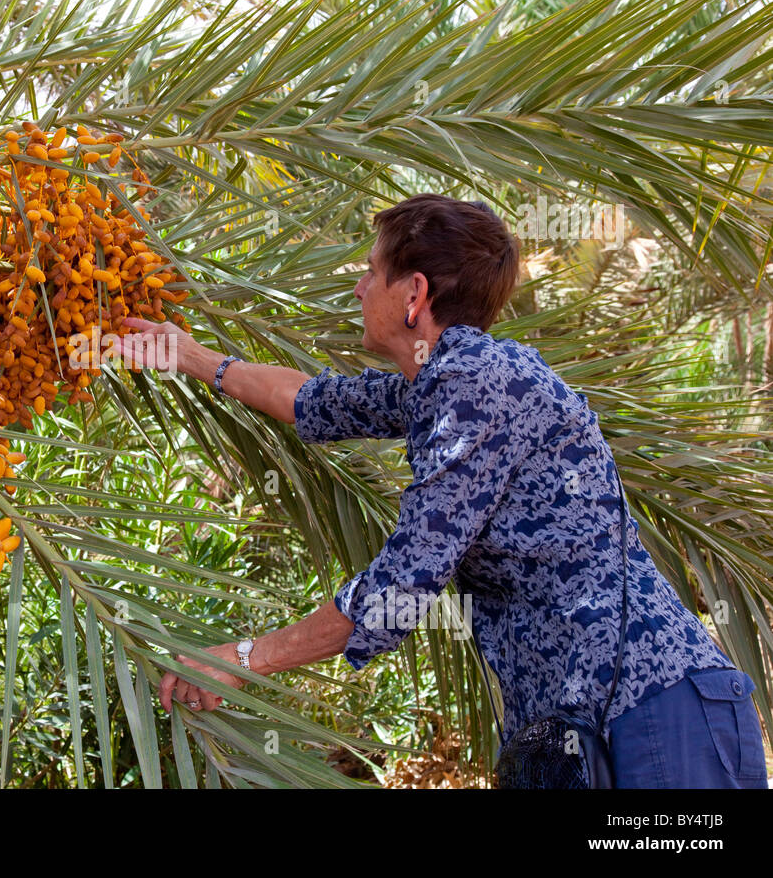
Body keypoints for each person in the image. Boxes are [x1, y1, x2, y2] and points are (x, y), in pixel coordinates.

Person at [118, 193, 768, 788]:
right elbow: (309, 399)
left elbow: (406, 581)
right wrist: (194, 358)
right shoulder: (442, 386)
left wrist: (242, 658)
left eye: (371, 271)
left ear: (414, 294)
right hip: (575, 733)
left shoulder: (479, 384)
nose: (358, 285)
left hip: (649, 712)